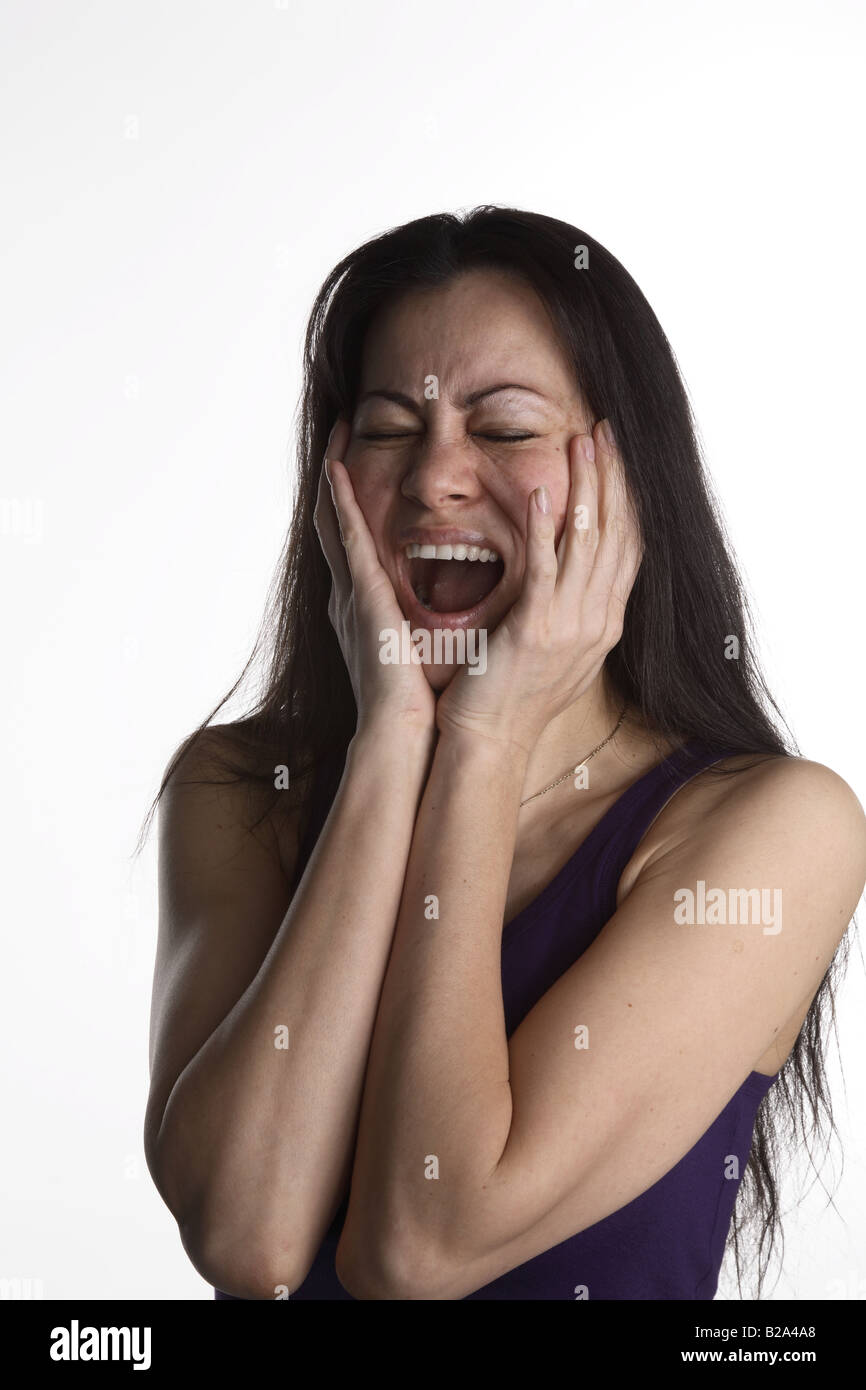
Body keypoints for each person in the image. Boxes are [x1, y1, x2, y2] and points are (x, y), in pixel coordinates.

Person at [142, 207, 865, 1300]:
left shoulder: (774, 832)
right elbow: (249, 1236)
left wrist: (483, 736)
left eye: (505, 427)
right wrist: (392, 740)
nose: (435, 477)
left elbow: (420, 1247)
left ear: (623, 481)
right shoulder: (239, 792)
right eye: (386, 428)